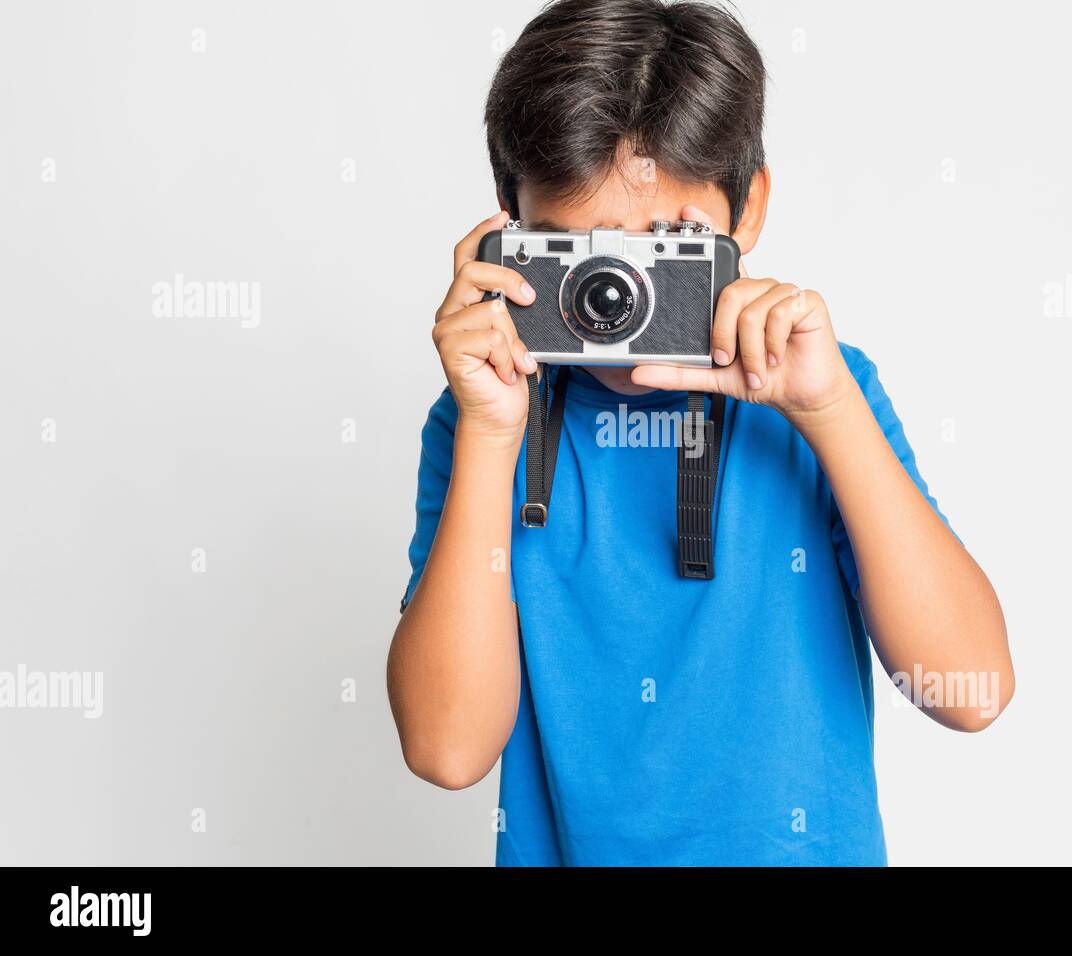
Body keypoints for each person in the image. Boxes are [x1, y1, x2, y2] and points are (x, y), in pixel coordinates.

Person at [387, 0, 1014, 866]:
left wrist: (828, 414)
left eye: (666, 245)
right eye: (578, 252)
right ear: (508, 223)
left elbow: (972, 690)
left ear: (747, 209)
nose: (617, 296)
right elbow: (447, 751)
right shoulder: (481, 417)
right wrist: (494, 435)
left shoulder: (824, 395)